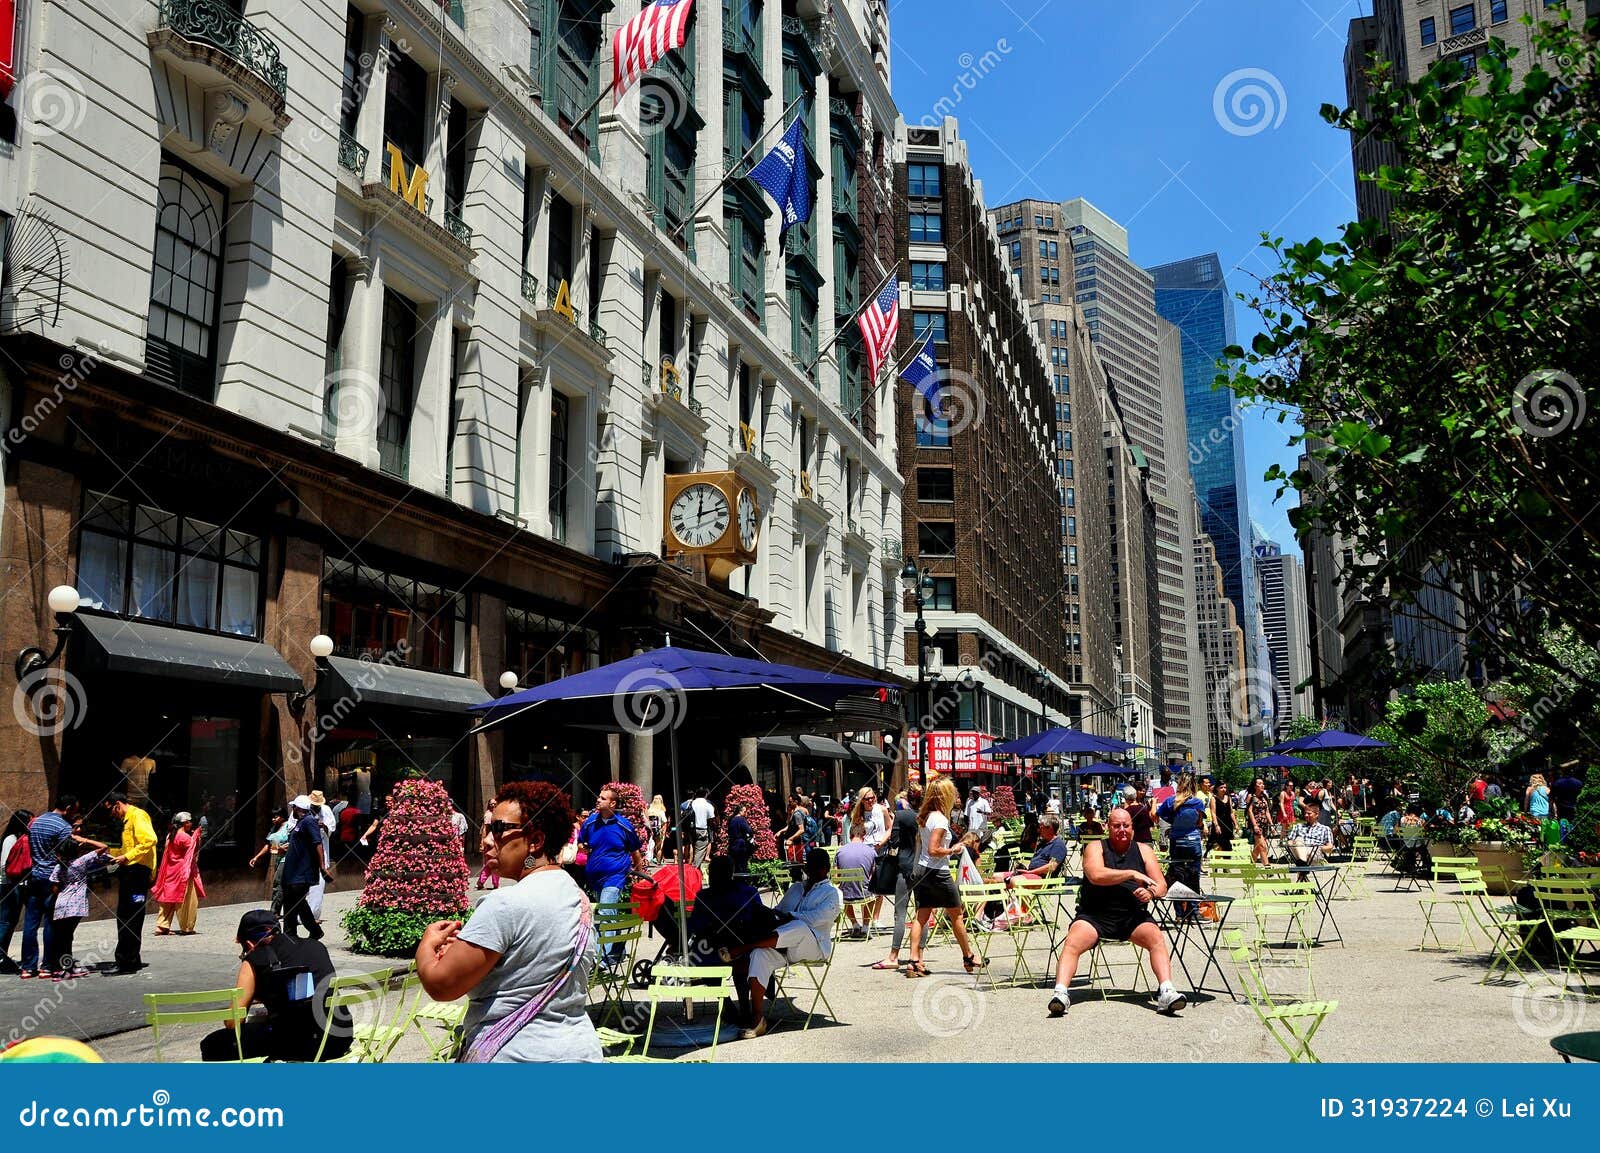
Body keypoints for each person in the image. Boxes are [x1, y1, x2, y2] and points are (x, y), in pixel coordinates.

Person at [417, 780, 601, 1062]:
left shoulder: (504, 903)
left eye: (499, 829)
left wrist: (427, 945)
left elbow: (442, 985)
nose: (489, 840)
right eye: (488, 828)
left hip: (515, 1054)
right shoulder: (580, 901)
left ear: (536, 841)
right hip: (579, 1051)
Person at [1048, 807, 1186, 1017]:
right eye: (1116, 826)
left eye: (1126, 825)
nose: (1122, 829)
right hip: (1095, 916)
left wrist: (1150, 892)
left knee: (1156, 938)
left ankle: (1166, 991)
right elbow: (1095, 874)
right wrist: (1131, 873)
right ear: (1107, 827)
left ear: (1132, 827)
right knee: (1073, 941)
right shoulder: (1095, 847)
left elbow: (1161, 885)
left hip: (1132, 917)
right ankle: (1061, 994)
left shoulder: (1144, 850)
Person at [719, 847, 842, 1039]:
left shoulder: (831, 893)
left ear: (825, 869)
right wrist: (771, 915)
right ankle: (758, 1019)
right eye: (808, 865)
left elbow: (818, 918)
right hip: (785, 944)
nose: (810, 870)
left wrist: (789, 916)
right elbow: (779, 911)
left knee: (799, 926)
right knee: (759, 955)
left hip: (814, 946)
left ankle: (742, 948)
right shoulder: (796, 888)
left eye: (815, 867)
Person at [199, 910, 351, 1062]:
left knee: (212, 1043)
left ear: (250, 944)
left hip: (304, 1045)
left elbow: (233, 1022)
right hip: (340, 1038)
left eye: (243, 947)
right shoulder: (317, 946)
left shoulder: (254, 958)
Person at [903, 778, 985, 979]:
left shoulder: (925, 816)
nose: (956, 797)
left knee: (921, 916)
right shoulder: (940, 819)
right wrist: (953, 849)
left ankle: (914, 960)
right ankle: (968, 955)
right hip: (938, 872)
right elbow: (933, 849)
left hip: (923, 871)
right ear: (945, 796)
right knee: (957, 915)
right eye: (953, 794)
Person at [578, 786, 643, 964]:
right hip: (594, 878)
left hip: (615, 876)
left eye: (602, 798)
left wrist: (640, 873)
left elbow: (635, 851)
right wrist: (582, 847)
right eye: (599, 797)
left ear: (612, 803)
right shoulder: (590, 823)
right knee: (607, 913)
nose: (598, 800)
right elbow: (581, 843)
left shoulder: (624, 825)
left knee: (606, 911)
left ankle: (601, 959)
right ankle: (617, 951)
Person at [871, 785, 923, 972]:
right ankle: (918, 956)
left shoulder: (902, 816)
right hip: (923, 868)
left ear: (907, 798)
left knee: (899, 914)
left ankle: (893, 956)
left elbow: (894, 842)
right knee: (921, 914)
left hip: (904, 866)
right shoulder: (928, 815)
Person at [104, 793, 155, 975]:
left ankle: (127, 960)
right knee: (127, 915)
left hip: (137, 872)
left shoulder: (137, 815)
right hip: (130, 871)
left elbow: (150, 840)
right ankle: (131, 957)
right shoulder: (127, 819)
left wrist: (126, 857)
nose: (111, 814)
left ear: (117, 804)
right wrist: (113, 853)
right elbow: (129, 846)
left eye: (110, 809)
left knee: (129, 916)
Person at [49, 835, 111, 979]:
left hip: (61, 904)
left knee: (63, 937)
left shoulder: (59, 867)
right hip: (76, 904)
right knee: (67, 937)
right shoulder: (81, 862)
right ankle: (66, 969)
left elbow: (55, 888)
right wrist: (85, 840)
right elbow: (103, 847)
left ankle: (62, 967)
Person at [1157, 773, 1208, 916]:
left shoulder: (1170, 801)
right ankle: (1194, 910)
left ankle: (1179, 912)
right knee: (1194, 877)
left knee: (1177, 877)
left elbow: (1160, 815)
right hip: (1193, 841)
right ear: (1193, 786)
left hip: (1177, 842)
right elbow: (1199, 822)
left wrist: (1174, 824)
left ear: (1179, 784)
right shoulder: (1197, 802)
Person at [151, 812, 205, 936]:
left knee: (167, 899)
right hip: (183, 872)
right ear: (185, 823)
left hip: (170, 870)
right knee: (187, 900)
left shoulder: (171, 835)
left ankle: (162, 925)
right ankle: (187, 927)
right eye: (190, 821)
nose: (191, 823)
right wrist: (197, 837)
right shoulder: (184, 837)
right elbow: (193, 851)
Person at [281, 796, 326, 940]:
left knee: (298, 902)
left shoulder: (309, 821)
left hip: (302, 873)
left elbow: (318, 843)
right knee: (289, 902)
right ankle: (289, 934)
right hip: (292, 872)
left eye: (293, 807)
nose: (292, 809)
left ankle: (315, 930)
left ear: (298, 808)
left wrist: (322, 866)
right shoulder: (300, 823)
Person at [0, 808, 36, 974]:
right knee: (6, 922)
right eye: (29, 821)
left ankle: (3, 955)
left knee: (10, 921)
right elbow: (5, 866)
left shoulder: (21, 839)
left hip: (13, 885)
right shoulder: (10, 839)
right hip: (8, 886)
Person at [997, 812, 1068, 888]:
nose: (1038, 830)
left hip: (1042, 879)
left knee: (1014, 881)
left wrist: (1030, 872)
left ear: (1050, 829)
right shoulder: (1042, 843)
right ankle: (997, 899)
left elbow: (1051, 867)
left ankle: (1014, 900)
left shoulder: (1058, 845)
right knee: (995, 878)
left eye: (1041, 827)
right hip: (1030, 874)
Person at [835, 826, 878, 938]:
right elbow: (874, 875)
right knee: (874, 891)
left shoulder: (839, 851)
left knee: (842, 889)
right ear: (864, 836)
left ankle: (854, 924)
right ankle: (865, 926)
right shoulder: (871, 851)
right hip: (864, 894)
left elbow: (836, 877)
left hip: (845, 896)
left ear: (850, 836)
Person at [248, 813, 290, 917]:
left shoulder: (289, 826)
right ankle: (283, 911)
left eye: (276, 817)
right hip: (276, 858)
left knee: (278, 883)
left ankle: (274, 911)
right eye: (273, 817)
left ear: (282, 817)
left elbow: (292, 843)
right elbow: (268, 845)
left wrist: (282, 848)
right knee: (282, 885)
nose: (273, 819)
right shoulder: (274, 828)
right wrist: (257, 857)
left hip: (286, 859)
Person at [1285, 801, 1334, 871]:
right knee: (1298, 839)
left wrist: (1318, 848)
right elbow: (1289, 842)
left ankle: (1302, 865)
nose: (1306, 815)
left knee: (1301, 846)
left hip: (1315, 854)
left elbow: (1330, 848)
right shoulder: (1298, 826)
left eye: (1309, 813)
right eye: (1305, 813)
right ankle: (1303, 866)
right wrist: (1293, 845)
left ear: (1317, 814)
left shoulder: (1325, 829)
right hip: (1298, 851)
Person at [1246, 778, 1273, 866]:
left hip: (1264, 824)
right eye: (1260, 783)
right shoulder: (1251, 796)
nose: (1262, 785)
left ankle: (1250, 864)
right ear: (1255, 786)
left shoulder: (1264, 796)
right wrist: (1254, 825)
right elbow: (1249, 811)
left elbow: (1267, 811)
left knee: (1258, 847)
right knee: (1262, 846)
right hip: (1256, 824)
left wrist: (1271, 825)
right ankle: (1267, 867)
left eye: (1263, 783)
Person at [726, 802, 755, 879]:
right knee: (742, 866)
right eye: (744, 811)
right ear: (740, 811)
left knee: (734, 866)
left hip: (732, 845)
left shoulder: (731, 820)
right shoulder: (741, 819)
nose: (745, 813)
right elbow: (748, 830)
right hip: (740, 845)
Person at [688, 787, 716, 868]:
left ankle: (696, 871)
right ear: (706, 794)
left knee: (692, 847)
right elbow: (711, 819)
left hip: (691, 829)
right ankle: (694, 870)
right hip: (702, 829)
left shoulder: (691, 803)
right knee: (700, 851)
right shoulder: (708, 805)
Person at [475, 804, 499, 891]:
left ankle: (482, 882)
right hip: (492, 843)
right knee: (493, 864)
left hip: (495, 842)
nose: (493, 806)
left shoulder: (497, 815)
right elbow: (486, 831)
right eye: (491, 804)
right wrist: (483, 843)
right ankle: (494, 884)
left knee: (491, 865)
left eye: (495, 804)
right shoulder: (489, 815)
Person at [1209, 783, 1236, 851]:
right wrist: (1216, 825)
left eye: (1225, 787)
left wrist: (1236, 824)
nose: (1223, 789)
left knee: (1227, 844)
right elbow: (1213, 813)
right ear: (1217, 789)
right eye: (1221, 787)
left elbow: (1231, 812)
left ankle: (1226, 860)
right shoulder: (1213, 798)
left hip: (1228, 824)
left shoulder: (1228, 798)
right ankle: (1220, 859)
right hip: (1219, 824)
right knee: (1221, 844)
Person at [645, 794, 669, 864]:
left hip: (650, 831)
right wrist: (664, 832)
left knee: (649, 846)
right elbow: (664, 822)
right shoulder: (661, 811)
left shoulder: (649, 810)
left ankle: (647, 861)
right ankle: (658, 862)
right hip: (658, 831)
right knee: (659, 847)